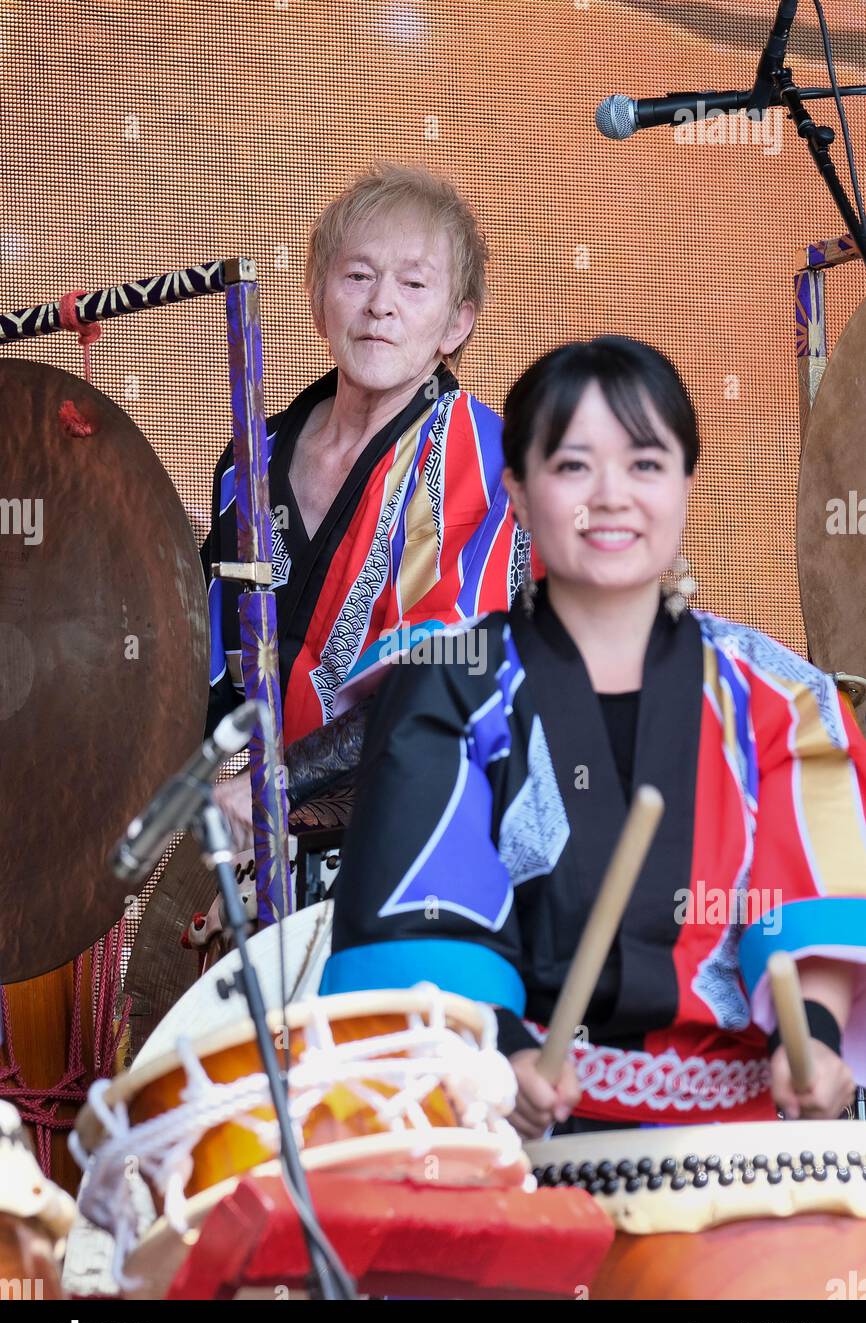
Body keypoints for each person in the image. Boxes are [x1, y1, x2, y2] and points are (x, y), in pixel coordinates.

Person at [320, 336, 866, 1138]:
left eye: (647, 465)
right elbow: (424, 907)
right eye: (574, 466)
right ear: (516, 487)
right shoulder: (451, 682)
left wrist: (812, 1041)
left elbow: (814, 893)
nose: (610, 496)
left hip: (746, 1139)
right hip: (513, 1122)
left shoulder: (779, 697)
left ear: (686, 482)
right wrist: (503, 1055)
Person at [202, 161, 532, 850]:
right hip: (280, 842)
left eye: (414, 284)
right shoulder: (247, 464)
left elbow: (446, 679)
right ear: (318, 300)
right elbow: (202, 669)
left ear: (455, 323)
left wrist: (274, 780)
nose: (381, 304)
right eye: (357, 276)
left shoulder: (480, 454)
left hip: (437, 836)